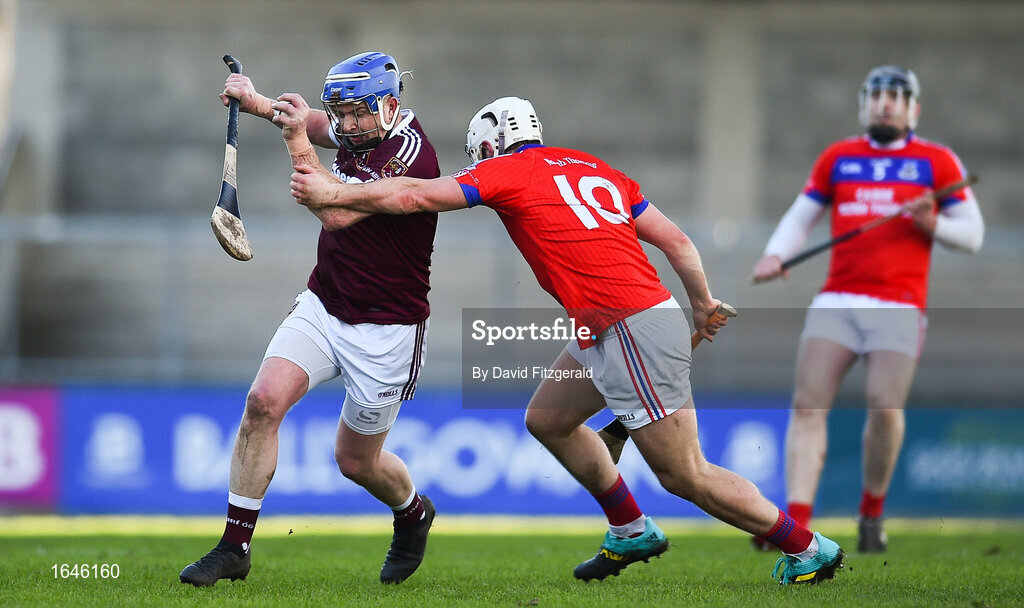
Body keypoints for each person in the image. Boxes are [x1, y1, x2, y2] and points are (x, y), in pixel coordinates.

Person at [289, 96, 846, 586]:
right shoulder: (596, 168)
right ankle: (630, 528)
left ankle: (807, 548)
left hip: (629, 325)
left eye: (479, 153)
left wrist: (336, 192)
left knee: (685, 474)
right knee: (549, 418)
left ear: (490, 143)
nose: (477, 162)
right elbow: (676, 240)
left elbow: (414, 197)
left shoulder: (508, 169)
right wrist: (700, 302)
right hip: (618, 322)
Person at [180, 51, 440, 587]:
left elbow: (335, 210)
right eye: (342, 113)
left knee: (356, 462)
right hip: (325, 304)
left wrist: (295, 141)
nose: (348, 125)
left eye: (359, 113)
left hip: (388, 329)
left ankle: (413, 512)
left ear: (390, 106)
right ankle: (234, 546)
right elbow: (321, 125)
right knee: (262, 402)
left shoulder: (411, 155)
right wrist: (257, 102)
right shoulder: (358, 126)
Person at [751, 66, 984, 552]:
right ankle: (796, 527)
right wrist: (776, 254)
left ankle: (871, 514)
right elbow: (801, 216)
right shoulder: (838, 157)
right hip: (837, 299)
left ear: (913, 108)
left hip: (899, 305)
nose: (885, 103)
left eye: (896, 96)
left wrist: (933, 224)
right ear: (864, 104)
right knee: (808, 405)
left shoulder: (937, 162)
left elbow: (973, 236)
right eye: (877, 94)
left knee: (884, 406)